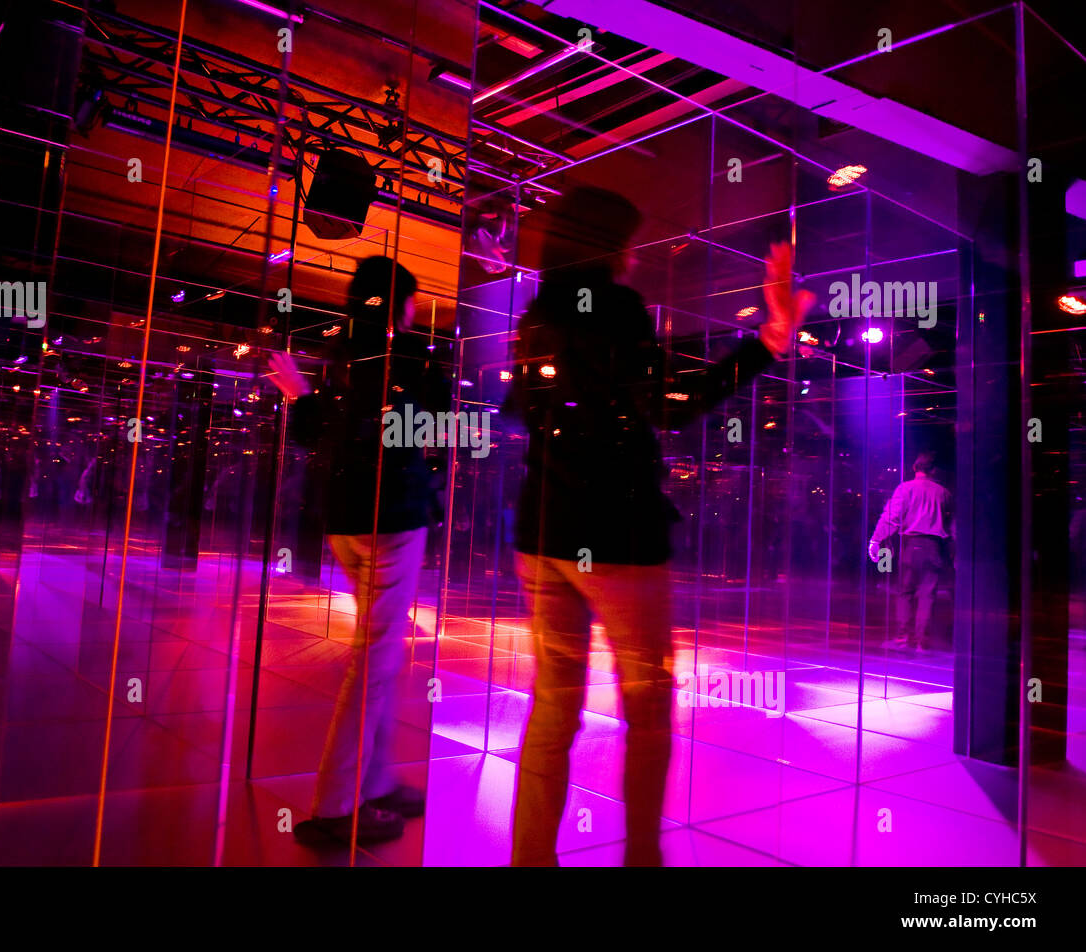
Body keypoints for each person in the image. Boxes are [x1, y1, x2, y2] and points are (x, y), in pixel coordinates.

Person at [508, 185, 814, 866]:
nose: (638, 256)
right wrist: (767, 340)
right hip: (617, 539)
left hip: (542, 534)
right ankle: (641, 858)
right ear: (608, 246)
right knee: (646, 713)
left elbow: (522, 409)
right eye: (630, 242)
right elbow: (671, 406)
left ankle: (529, 859)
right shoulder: (616, 309)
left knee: (553, 709)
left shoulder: (535, 314)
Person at [267, 256, 451, 847]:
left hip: (346, 520)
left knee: (383, 656)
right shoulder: (405, 361)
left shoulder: (343, 359)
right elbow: (428, 432)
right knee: (372, 663)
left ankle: (374, 784)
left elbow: (321, 435)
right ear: (402, 304)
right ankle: (335, 806)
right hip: (391, 520)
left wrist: (300, 395)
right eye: (414, 300)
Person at [868, 451, 954, 652]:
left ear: (915, 468)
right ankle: (922, 641)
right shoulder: (943, 493)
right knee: (927, 594)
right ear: (933, 470)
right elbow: (952, 525)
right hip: (934, 547)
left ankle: (903, 638)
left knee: (905, 592)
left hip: (911, 545)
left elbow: (891, 517)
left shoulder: (904, 489)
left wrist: (876, 539)